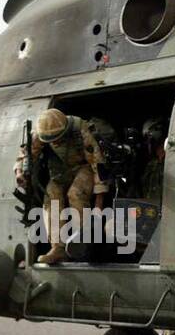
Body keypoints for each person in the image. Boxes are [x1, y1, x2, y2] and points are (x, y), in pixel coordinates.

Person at [15, 108, 108, 265]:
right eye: (51, 141)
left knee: (75, 194)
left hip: (82, 166)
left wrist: (99, 204)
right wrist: (19, 172)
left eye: (59, 139)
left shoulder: (80, 128)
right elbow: (26, 154)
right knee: (51, 196)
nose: (55, 143)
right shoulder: (41, 132)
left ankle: (84, 241)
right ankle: (58, 248)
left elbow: (97, 163)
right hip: (60, 171)